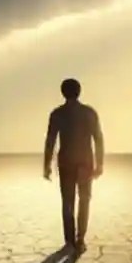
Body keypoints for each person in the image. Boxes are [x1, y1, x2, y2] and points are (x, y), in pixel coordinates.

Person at [43, 78, 104, 252]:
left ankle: (69, 241)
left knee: (68, 201)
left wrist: (46, 165)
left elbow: (50, 141)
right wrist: (100, 163)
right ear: (79, 92)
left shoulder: (57, 114)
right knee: (84, 199)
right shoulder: (89, 112)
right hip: (85, 161)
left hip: (66, 162)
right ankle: (80, 239)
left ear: (63, 93)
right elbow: (98, 138)